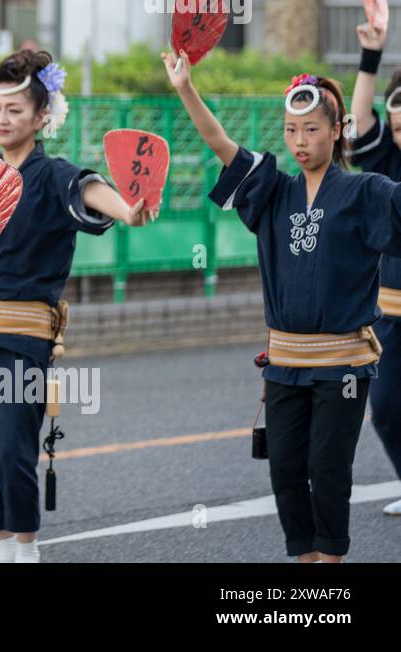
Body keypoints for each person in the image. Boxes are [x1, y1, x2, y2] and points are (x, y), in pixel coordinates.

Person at [0, 0, 153, 563]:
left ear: (42, 116)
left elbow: (96, 193)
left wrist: (131, 211)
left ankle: (27, 548)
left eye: (14, 109)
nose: (1, 118)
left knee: (13, 450)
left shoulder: (55, 174)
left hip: (23, 338)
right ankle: (4, 544)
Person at [164, 46, 391, 561]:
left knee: (328, 474)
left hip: (343, 366)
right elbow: (220, 143)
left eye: (312, 129)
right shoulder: (272, 190)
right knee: (286, 474)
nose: (300, 141)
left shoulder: (365, 193)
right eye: (292, 130)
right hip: (285, 365)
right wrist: (184, 88)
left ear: (336, 131)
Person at [345, 12, 401, 518]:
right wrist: (371, 56)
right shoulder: (386, 162)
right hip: (390, 315)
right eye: (397, 121)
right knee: (384, 409)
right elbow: (359, 119)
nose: (399, 130)